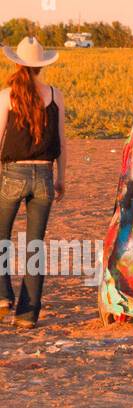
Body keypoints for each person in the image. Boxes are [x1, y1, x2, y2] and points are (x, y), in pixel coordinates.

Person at [0, 37, 67, 329]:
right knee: (34, 246)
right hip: (44, 176)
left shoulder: (6, 96)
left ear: (17, 63)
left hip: (13, 174)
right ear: (41, 66)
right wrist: (61, 178)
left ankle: (2, 295)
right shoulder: (55, 95)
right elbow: (62, 142)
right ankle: (27, 315)